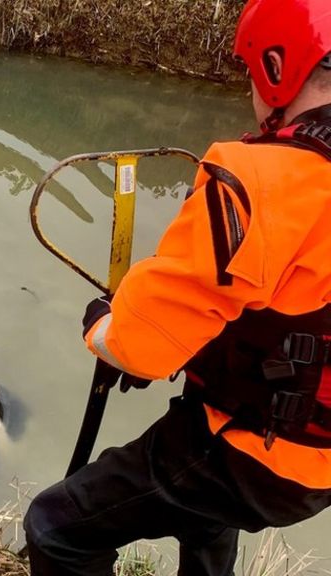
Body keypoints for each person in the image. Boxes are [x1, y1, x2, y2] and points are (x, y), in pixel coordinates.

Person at [23, 1, 331, 574]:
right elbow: (297, 309)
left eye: (250, 73)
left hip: (262, 455)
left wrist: (103, 325)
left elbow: (136, 347)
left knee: (55, 529)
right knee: (203, 510)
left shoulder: (255, 180)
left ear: (277, 68)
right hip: (314, 452)